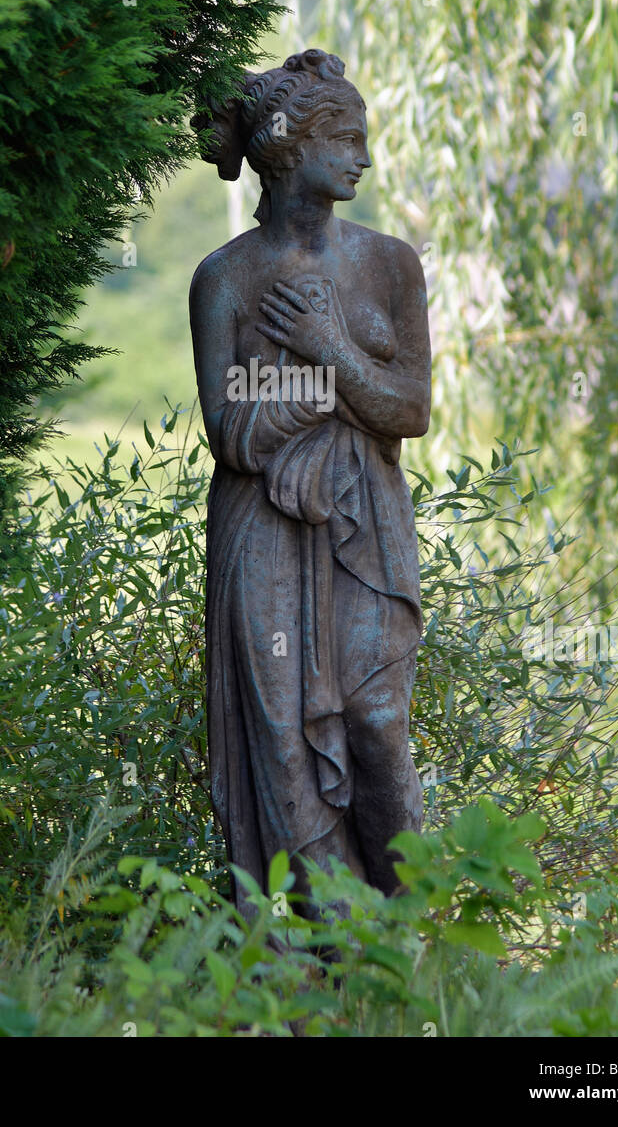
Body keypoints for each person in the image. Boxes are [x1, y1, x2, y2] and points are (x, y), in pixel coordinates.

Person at [190, 48, 431, 918]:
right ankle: (327, 959)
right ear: (291, 148)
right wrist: (333, 384)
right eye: (350, 138)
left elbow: (411, 411)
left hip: (365, 515)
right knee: (284, 746)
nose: (365, 156)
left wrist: (326, 352)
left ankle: (405, 925)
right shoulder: (224, 278)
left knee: (375, 723)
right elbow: (233, 437)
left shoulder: (391, 264)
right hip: (261, 529)